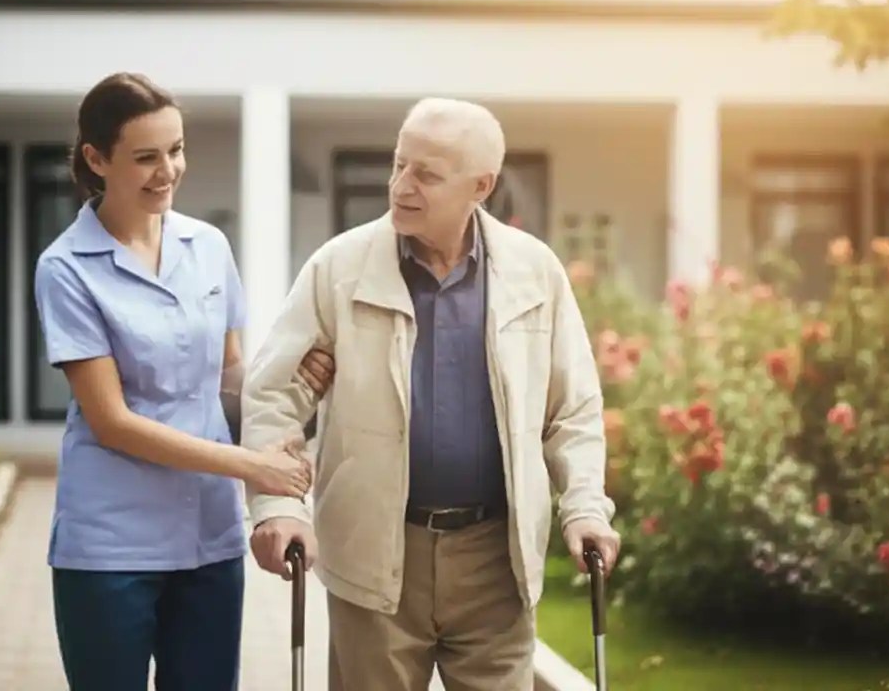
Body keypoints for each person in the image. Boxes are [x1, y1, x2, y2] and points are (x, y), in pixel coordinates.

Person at [240, 97, 621, 690]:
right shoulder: (339, 268)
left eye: (426, 174)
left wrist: (586, 507)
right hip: (375, 556)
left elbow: (572, 409)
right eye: (398, 165)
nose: (400, 186)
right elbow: (273, 396)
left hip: (496, 561)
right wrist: (279, 508)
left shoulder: (533, 272)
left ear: (481, 186)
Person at [33, 71, 334, 691]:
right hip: (111, 548)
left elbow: (227, 380)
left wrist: (297, 389)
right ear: (96, 159)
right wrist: (252, 466)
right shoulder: (65, 269)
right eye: (145, 157)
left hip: (208, 541)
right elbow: (111, 422)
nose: (167, 170)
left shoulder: (207, 246)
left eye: (175, 150)